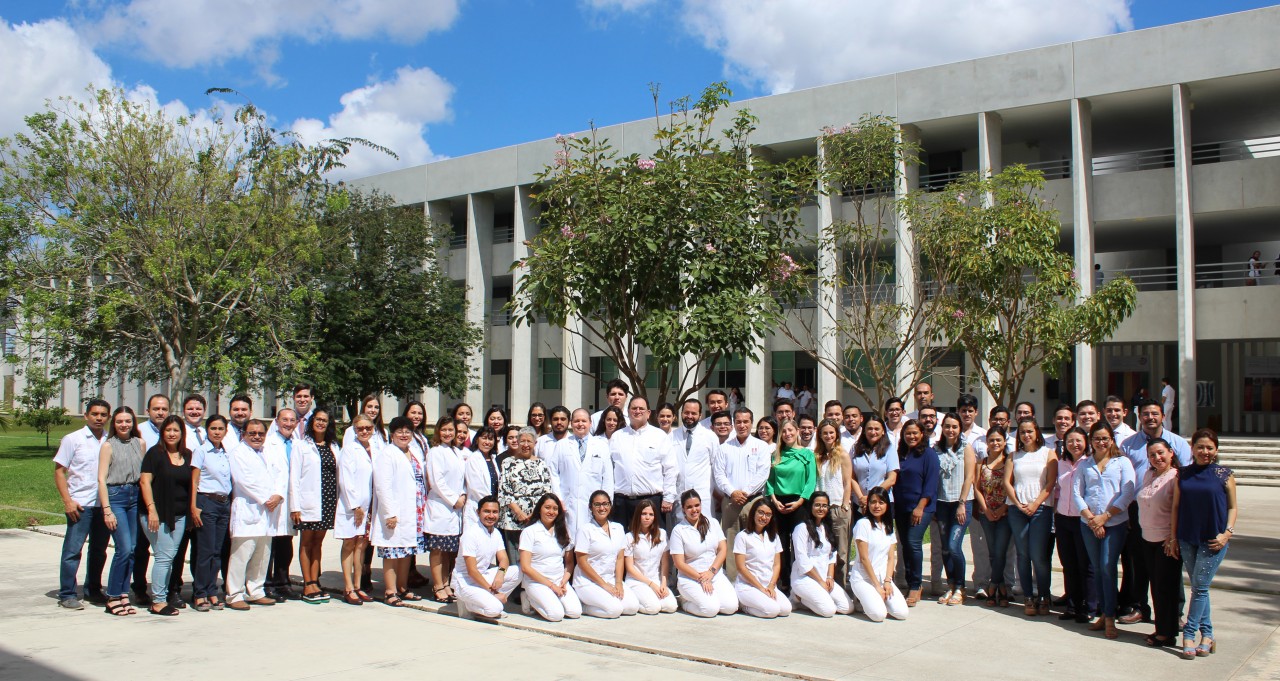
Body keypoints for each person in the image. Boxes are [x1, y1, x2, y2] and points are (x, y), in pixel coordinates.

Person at [1118, 398, 1192, 624]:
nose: (1150, 418)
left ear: (1163, 416)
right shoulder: (1128, 445)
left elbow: (1186, 477)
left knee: (1170, 563)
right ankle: (1140, 607)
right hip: (1137, 508)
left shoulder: (1178, 443)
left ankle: (1175, 613)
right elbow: (1122, 478)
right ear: (1139, 417)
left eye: (1154, 414)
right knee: (1138, 563)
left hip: (1168, 509)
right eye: (1145, 414)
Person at [1177, 428, 1237, 659]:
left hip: (1214, 539)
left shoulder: (1224, 474)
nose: (1205, 451)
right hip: (1187, 537)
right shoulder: (1183, 474)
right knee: (1199, 588)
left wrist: (1227, 533)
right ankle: (1208, 635)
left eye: (1209, 448)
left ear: (1216, 450)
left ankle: (1189, 634)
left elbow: (1232, 507)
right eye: (1200, 447)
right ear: (1192, 449)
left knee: (1200, 588)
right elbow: (1176, 507)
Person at [1073, 422, 1137, 639]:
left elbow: (1127, 493)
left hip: (1115, 523)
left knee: (1108, 567)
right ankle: (1103, 612)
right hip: (1089, 524)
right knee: (1098, 569)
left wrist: (1105, 517)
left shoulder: (1122, 462)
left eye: (1104, 438)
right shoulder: (1085, 464)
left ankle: (1110, 616)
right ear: (1090, 441)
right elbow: (1077, 493)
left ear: (1111, 440)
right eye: (1096, 439)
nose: (1100, 442)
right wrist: (1091, 519)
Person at [226, 420, 287, 611]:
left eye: (260, 433)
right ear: (243, 434)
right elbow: (244, 481)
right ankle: (234, 594)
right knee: (241, 555)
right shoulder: (238, 453)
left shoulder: (268, 451)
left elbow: (280, 473)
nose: (257, 437)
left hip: (268, 511)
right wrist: (267, 498)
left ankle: (256, 590)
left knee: (262, 554)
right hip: (249, 509)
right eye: (252, 433)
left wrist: (278, 495)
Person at [138, 415, 194, 616]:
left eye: (175, 430)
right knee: (164, 556)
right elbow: (144, 482)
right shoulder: (155, 454)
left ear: (182, 433)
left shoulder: (187, 455)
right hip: (157, 515)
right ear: (162, 433)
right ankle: (158, 601)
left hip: (179, 516)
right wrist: (151, 509)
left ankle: (162, 595)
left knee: (169, 556)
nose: (171, 434)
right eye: (168, 430)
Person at [1004, 417, 1057, 615]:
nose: (1026, 435)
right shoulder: (1013, 456)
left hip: (1041, 509)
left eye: (1030, 431)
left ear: (1037, 433)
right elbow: (1007, 482)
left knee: (1038, 555)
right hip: (1017, 510)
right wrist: (1018, 504)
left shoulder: (1048, 453)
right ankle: (1028, 596)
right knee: (1023, 554)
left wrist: (1035, 504)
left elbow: (1050, 482)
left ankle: (1043, 595)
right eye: (1022, 432)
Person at [371, 416, 426, 606]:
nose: (404, 435)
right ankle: (390, 591)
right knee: (392, 552)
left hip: (414, 510)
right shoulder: (387, 454)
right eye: (399, 431)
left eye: (407, 431)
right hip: (396, 511)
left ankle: (402, 587)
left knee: (406, 551)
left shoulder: (413, 452)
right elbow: (382, 486)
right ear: (392, 434)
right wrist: (390, 513)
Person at [712, 407, 771, 580]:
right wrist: (733, 492)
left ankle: (755, 579)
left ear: (751, 423)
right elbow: (719, 474)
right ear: (733, 424)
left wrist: (745, 493)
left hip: (753, 501)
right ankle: (732, 581)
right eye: (738, 422)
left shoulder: (761, 446)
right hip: (731, 501)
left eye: (746, 421)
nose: (742, 425)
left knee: (754, 541)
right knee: (731, 541)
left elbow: (763, 473)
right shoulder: (724, 448)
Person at [95, 405, 142, 615]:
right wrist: (107, 510)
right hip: (116, 497)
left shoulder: (140, 443)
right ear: (114, 423)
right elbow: (101, 479)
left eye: (128, 421)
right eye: (120, 421)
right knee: (123, 548)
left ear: (133, 423)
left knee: (132, 549)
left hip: (135, 496)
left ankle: (124, 593)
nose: (124, 424)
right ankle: (113, 595)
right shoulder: (108, 446)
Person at [1137, 438, 1182, 648]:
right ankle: (1162, 627)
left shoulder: (1176, 477)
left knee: (1166, 588)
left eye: (1161, 453)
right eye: (1152, 455)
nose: (1157, 458)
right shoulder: (1149, 474)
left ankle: (1167, 632)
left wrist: (1173, 537)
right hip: (1147, 538)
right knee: (1156, 586)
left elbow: (1178, 509)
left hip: (1166, 540)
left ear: (1171, 452)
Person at [290, 407, 338, 604]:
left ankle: (315, 581)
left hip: (328, 500)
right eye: (318, 419)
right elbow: (294, 478)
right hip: (308, 501)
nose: (320, 423)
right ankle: (307, 583)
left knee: (318, 542)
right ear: (312, 422)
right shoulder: (301, 446)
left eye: (324, 420)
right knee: (306, 542)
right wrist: (295, 506)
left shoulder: (333, 446)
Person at [609, 396, 677, 525]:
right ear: (628, 411)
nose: (637, 411)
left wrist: (668, 498)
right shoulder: (617, 437)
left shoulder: (659, 436)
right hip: (621, 503)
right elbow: (609, 468)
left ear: (648, 413)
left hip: (651, 502)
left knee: (653, 538)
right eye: (634, 408)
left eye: (641, 408)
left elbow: (670, 469)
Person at [765, 418, 816, 591]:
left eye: (790, 430)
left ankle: (800, 580)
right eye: (784, 431)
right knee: (781, 543)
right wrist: (774, 500)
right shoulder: (776, 455)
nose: (787, 434)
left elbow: (811, 481)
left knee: (799, 544)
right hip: (778, 502)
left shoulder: (807, 454)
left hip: (799, 502)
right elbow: (770, 481)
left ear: (797, 431)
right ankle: (785, 581)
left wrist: (800, 501)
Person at [189, 414, 233, 612]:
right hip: (206, 502)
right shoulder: (201, 451)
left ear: (225, 431)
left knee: (217, 551)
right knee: (205, 551)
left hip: (224, 504)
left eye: (220, 429)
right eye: (213, 428)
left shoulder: (225, 453)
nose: (217, 432)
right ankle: (200, 593)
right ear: (207, 430)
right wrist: (193, 506)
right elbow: (194, 481)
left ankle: (212, 590)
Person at [452, 495, 522, 620]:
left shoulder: (496, 533)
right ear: (478, 512)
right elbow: (472, 571)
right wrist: (493, 592)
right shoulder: (471, 534)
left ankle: (487, 600)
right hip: (465, 583)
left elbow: (504, 559)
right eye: (486, 511)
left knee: (518, 571)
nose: (491, 515)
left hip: (482, 577)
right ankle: (469, 605)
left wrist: (500, 574)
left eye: (494, 512)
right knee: (495, 609)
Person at [669, 490, 737, 617]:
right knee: (710, 609)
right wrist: (701, 578)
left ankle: (709, 598)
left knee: (730, 607)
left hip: (714, 574)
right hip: (691, 578)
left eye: (697, 505)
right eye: (689, 507)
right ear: (683, 509)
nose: (694, 510)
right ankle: (684, 602)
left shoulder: (713, 523)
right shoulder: (678, 530)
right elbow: (679, 563)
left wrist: (711, 572)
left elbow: (722, 549)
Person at [573, 490, 640, 618]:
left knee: (632, 607)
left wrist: (619, 583)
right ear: (591, 507)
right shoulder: (585, 530)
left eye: (605, 504)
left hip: (610, 579)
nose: (602, 508)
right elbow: (582, 562)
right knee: (614, 610)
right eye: (597, 504)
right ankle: (584, 607)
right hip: (588, 581)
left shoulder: (618, 528)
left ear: (610, 505)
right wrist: (604, 585)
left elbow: (620, 558)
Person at [893, 420, 938, 606]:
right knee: (905, 545)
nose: (911, 436)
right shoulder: (900, 454)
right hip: (901, 507)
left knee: (913, 543)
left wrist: (920, 507)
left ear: (922, 434)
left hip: (921, 507)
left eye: (915, 433)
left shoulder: (928, 454)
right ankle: (910, 580)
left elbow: (931, 483)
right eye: (908, 433)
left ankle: (916, 585)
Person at [548, 409, 613, 539]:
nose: (580, 424)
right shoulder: (561, 445)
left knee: (592, 540)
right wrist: (558, 498)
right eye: (577, 421)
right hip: (567, 502)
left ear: (590, 423)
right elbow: (553, 473)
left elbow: (608, 478)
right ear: (571, 423)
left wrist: (606, 502)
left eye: (584, 421)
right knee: (567, 541)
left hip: (594, 504)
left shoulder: (601, 445)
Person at [932, 413, 975, 605]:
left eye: (954, 426)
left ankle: (960, 586)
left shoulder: (966, 448)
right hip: (942, 503)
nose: (951, 430)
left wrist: (962, 503)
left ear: (960, 428)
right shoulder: (936, 449)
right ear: (942, 428)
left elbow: (969, 477)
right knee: (944, 549)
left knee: (953, 546)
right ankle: (950, 585)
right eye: (947, 426)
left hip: (961, 503)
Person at [519, 493, 582, 621]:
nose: (551, 512)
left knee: (575, 612)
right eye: (547, 507)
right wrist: (552, 586)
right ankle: (529, 599)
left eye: (555, 508)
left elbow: (569, 563)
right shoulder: (529, 532)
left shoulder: (563, 531)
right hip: (537, 582)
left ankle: (551, 600)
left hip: (559, 581)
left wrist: (564, 580)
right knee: (556, 615)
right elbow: (525, 567)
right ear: (539, 509)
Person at [850, 487, 908, 622]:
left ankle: (876, 600)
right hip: (864, 579)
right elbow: (864, 558)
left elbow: (891, 558)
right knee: (879, 615)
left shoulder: (888, 526)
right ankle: (862, 599)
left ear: (887, 505)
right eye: (873, 502)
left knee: (902, 613)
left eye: (881, 502)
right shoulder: (863, 524)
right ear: (868, 504)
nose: (877, 506)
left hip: (883, 579)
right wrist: (877, 586)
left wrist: (887, 581)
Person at [132, 393, 169, 605]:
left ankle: (166, 588)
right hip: (144, 493)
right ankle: (139, 587)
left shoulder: (173, 430)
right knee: (141, 546)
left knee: (166, 546)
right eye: (156, 409)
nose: (160, 412)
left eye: (164, 409)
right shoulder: (139, 431)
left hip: (167, 495)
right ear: (148, 411)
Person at [1053, 427, 1093, 623]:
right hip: (1063, 517)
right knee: (1068, 564)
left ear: (1086, 442)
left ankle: (1088, 606)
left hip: (1082, 519)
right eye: (1070, 441)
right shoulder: (1061, 463)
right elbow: (1057, 489)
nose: (1074, 444)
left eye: (1078, 440)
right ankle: (1072, 605)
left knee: (1084, 564)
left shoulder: (1090, 463)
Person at [499, 428, 557, 561]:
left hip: (535, 518)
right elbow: (504, 490)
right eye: (522, 441)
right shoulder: (507, 462)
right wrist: (518, 512)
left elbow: (547, 491)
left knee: (534, 555)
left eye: (529, 441)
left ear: (535, 443)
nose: (525, 445)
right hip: (513, 517)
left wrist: (535, 513)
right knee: (515, 558)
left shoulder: (541, 463)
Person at [791, 491, 853, 617]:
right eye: (817, 505)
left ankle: (807, 599)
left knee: (847, 607)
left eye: (824, 506)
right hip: (805, 578)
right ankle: (798, 596)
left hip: (824, 577)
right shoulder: (801, 528)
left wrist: (829, 577)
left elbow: (831, 556)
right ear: (811, 506)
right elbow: (802, 561)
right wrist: (820, 581)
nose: (821, 508)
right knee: (828, 611)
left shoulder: (826, 528)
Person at [426, 416, 467, 603]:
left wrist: (463, 495)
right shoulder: (435, 452)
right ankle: (437, 586)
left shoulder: (456, 451)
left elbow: (462, 478)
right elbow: (436, 481)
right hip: (441, 507)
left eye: (451, 430)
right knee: (437, 550)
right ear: (438, 431)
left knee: (446, 550)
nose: (448, 433)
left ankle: (445, 583)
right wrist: (453, 499)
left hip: (454, 509)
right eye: (444, 430)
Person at [337, 414, 376, 605]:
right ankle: (348, 587)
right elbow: (345, 479)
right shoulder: (349, 450)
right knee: (349, 543)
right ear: (354, 430)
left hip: (369, 505)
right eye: (360, 428)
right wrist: (355, 506)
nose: (364, 431)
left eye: (368, 428)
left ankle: (358, 585)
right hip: (352, 506)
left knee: (361, 545)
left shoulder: (374, 448)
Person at [263, 408, 299, 602]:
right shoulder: (268, 443)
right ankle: (267, 583)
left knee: (286, 543)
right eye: (284, 420)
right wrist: (274, 494)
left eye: (292, 420)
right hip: (273, 500)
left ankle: (283, 583)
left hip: (290, 501)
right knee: (270, 544)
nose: (288, 423)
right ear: (276, 422)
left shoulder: (298, 444)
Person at [732, 497, 790, 618]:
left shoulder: (774, 537)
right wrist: (760, 588)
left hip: (768, 586)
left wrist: (771, 585)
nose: (764, 517)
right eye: (761, 512)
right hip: (749, 586)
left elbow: (776, 564)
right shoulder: (742, 536)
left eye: (768, 514)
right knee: (772, 611)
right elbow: (741, 567)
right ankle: (744, 606)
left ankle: (761, 601)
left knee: (785, 609)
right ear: (753, 513)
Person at [974, 427, 1012, 607]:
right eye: (991, 440)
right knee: (992, 552)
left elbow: (1014, 486)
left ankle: (994, 585)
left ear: (1004, 442)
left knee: (1000, 551)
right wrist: (986, 510)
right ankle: (1000, 586)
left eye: (998, 440)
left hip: (1006, 513)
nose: (995, 443)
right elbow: (977, 488)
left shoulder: (1010, 461)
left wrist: (1003, 508)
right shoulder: (981, 463)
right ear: (986, 442)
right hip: (986, 514)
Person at [813, 419, 853, 586]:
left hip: (837, 507)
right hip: (821, 508)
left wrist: (845, 505)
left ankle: (840, 586)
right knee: (823, 548)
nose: (828, 436)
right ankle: (823, 583)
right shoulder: (817, 456)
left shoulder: (842, 454)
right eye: (825, 433)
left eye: (831, 432)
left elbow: (847, 482)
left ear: (836, 434)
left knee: (841, 552)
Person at [623, 499, 678, 614]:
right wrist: (650, 584)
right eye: (644, 514)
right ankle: (633, 602)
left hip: (656, 580)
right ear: (638, 515)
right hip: (636, 581)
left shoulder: (662, 534)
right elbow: (630, 567)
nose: (647, 517)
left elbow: (665, 562)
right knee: (653, 608)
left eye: (651, 514)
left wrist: (663, 583)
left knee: (671, 607)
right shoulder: (629, 537)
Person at [670, 399, 718, 523]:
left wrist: (718, 494)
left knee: (704, 528)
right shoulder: (671, 436)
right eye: (686, 412)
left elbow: (716, 467)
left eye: (694, 413)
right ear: (681, 413)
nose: (689, 416)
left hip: (703, 495)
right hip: (679, 495)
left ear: (700, 415)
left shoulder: (710, 436)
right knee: (681, 530)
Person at [850, 416, 898, 515]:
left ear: (883, 431)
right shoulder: (855, 448)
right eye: (869, 429)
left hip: (882, 502)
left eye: (877, 429)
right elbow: (851, 476)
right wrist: (861, 498)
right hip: (860, 502)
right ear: (864, 431)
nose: (873, 432)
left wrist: (871, 498)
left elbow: (892, 479)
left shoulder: (889, 449)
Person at [464, 427, 502, 523]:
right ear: (477, 440)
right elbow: (476, 487)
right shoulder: (473, 459)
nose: (487, 442)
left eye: (490, 439)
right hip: (477, 506)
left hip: (492, 509)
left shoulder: (493, 459)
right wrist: (491, 504)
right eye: (484, 438)